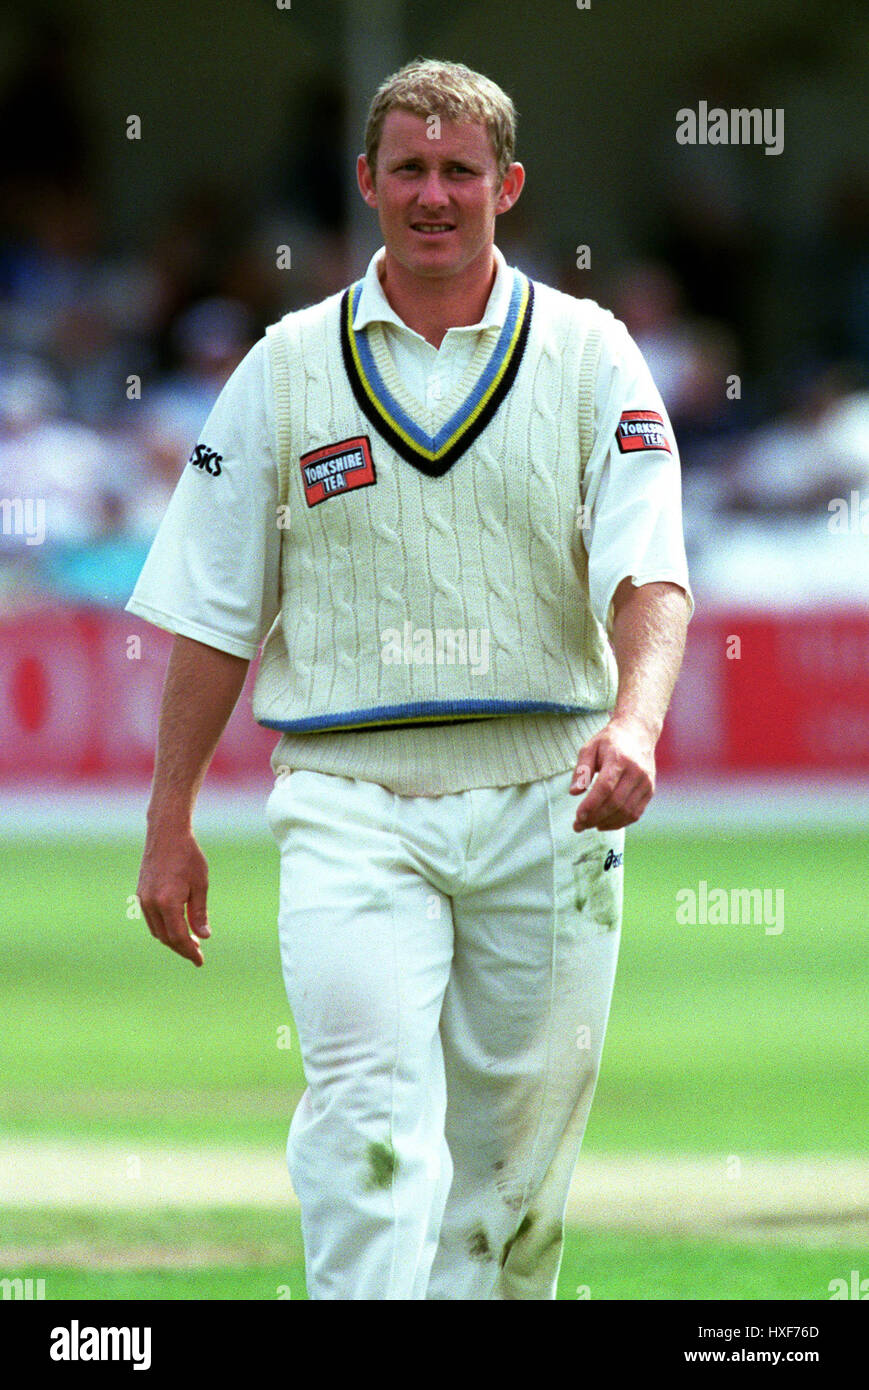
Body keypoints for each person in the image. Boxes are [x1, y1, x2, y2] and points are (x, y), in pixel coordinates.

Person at [127, 57, 693, 1301]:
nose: (433, 196)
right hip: (346, 797)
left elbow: (649, 574)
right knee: (367, 1126)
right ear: (367, 183)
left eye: (458, 171)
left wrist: (636, 725)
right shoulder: (281, 368)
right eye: (410, 170)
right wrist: (169, 820)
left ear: (508, 186)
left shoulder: (593, 355)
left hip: (546, 795)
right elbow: (215, 614)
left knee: (512, 1180)